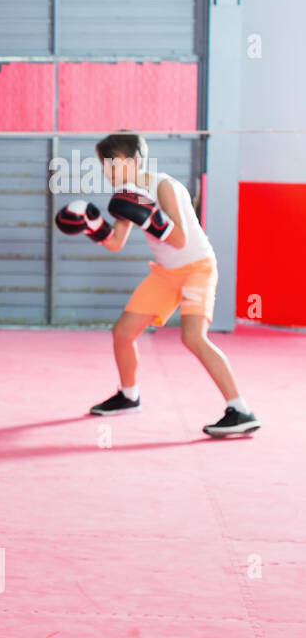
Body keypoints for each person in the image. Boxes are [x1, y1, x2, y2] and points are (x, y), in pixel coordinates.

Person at [55, 132, 258, 436]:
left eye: (112, 165)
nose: (106, 172)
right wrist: (92, 227)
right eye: (103, 166)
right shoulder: (126, 194)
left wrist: (148, 214)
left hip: (197, 269)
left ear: (134, 161)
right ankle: (129, 395)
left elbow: (179, 239)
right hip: (166, 273)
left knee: (193, 338)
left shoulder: (164, 186)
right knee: (123, 333)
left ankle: (240, 410)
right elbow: (116, 244)